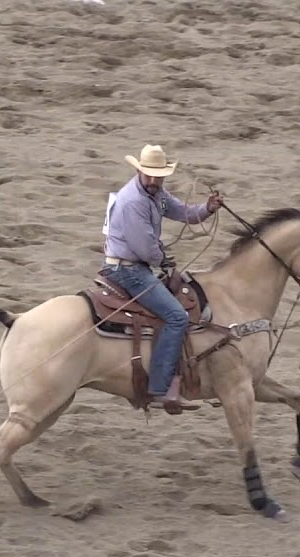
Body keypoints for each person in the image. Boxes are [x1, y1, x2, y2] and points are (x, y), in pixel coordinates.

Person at [101, 143, 222, 410]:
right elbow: (145, 247)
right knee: (177, 316)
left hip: (136, 266)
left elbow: (183, 212)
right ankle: (160, 388)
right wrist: (163, 261)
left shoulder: (156, 193)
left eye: (159, 175)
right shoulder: (133, 201)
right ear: (140, 172)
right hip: (128, 270)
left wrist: (208, 208)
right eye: (150, 174)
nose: (155, 179)